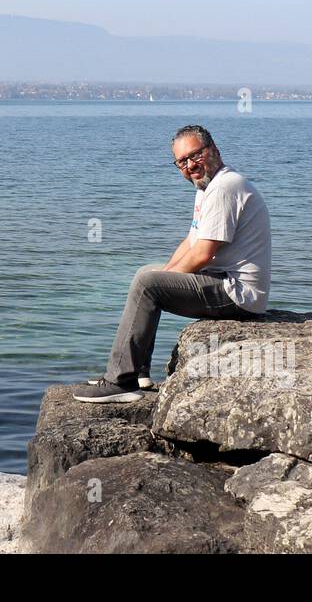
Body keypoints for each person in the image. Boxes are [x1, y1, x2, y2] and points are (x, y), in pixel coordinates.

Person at [72, 124, 271, 403]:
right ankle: (138, 371)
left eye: (195, 155)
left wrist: (158, 285)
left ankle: (120, 381)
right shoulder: (207, 188)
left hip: (238, 294)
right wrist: (164, 275)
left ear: (214, 150)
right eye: (182, 161)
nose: (190, 165)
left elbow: (203, 254)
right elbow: (190, 243)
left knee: (148, 284)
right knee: (148, 274)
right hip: (221, 282)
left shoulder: (225, 187)